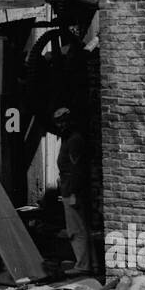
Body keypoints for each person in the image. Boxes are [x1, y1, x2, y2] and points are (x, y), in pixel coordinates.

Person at [54, 107, 94, 276]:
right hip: (69, 187)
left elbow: (77, 168)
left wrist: (72, 192)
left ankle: (83, 265)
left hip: (72, 190)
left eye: (64, 121)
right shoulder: (69, 138)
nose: (61, 125)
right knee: (81, 227)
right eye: (59, 122)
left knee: (76, 230)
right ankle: (91, 264)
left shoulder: (74, 140)